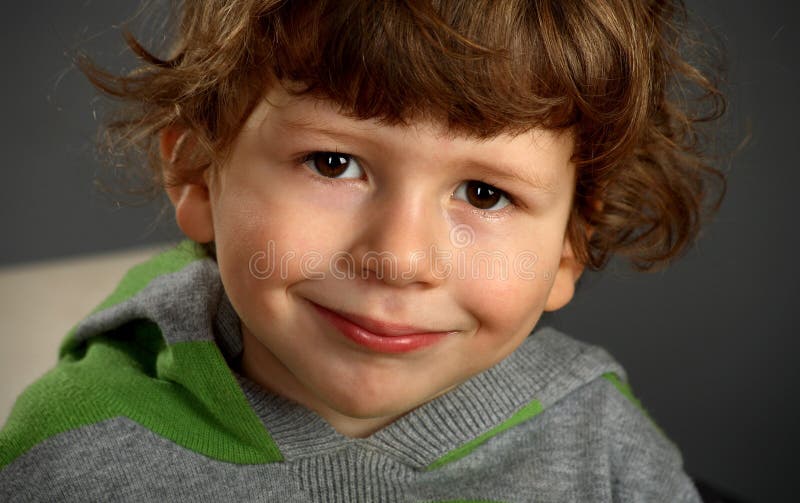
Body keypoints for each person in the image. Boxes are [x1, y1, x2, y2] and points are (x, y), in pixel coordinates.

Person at [0, 1, 726, 501]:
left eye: (482, 193)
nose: (400, 257)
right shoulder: (77, 456)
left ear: (571, 244)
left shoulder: (606, 454)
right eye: (333, 163)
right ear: (196, 172)